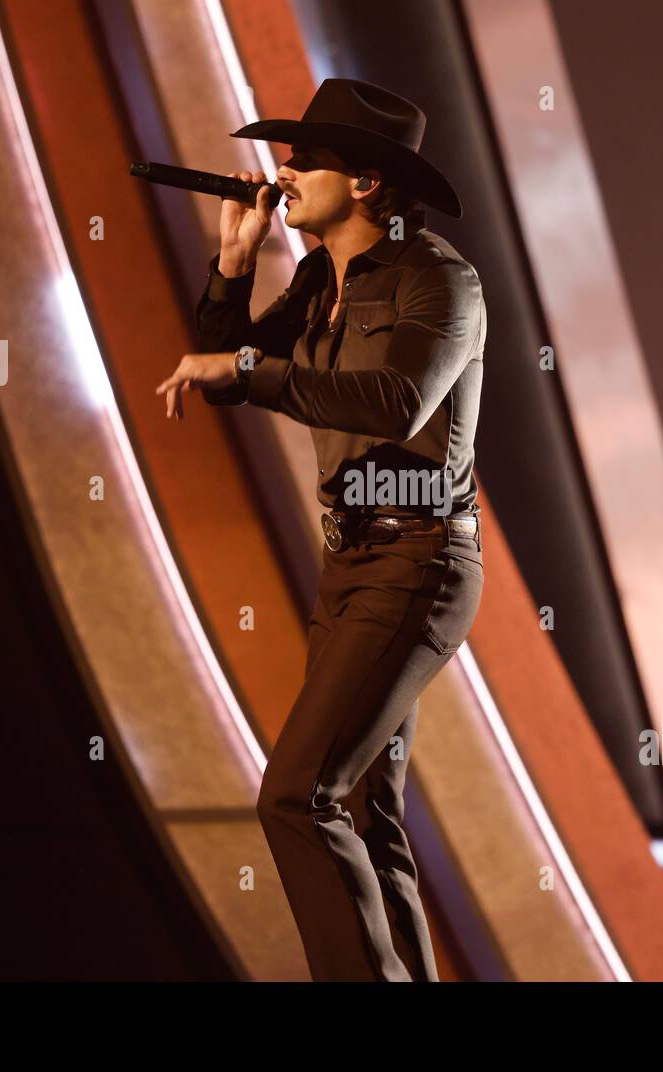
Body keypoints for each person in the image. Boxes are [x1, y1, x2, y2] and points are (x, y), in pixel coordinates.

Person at [155, 78, 486, 981]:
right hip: (352, 563)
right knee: (367, 815)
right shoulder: (313, 278)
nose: (285, 173)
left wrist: (250, 366)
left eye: (308, 160)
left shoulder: (440, 282)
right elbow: (227, 377)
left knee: (298, 797)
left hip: (420, 560)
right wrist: (232, 266)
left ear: (369, 183)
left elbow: (393, 399)